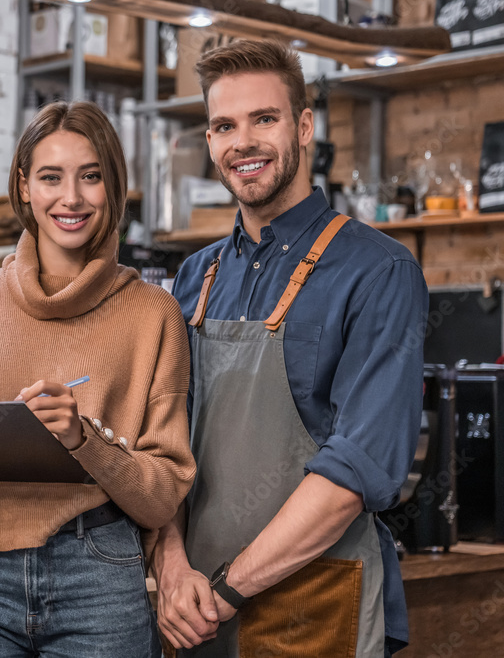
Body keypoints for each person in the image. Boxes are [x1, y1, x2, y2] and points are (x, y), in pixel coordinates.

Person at [153, 39, 427, 657]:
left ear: (303, 127)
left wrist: (225, 594)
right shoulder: (195, 278)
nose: (242, 142)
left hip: (312, 604)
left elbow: (355, 471)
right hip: (190, 610)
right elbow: (161, 446)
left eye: (264, 119)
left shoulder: (379, 272)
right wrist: (172, 570)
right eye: (224, 125)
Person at [0, 100, 195, 657]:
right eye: (50, 177)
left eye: (91, 177)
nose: (72, 198)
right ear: (24, 186)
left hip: (99, 578)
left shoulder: (154, 314)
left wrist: (82, 439)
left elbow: (162, 499)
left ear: (113, 186)